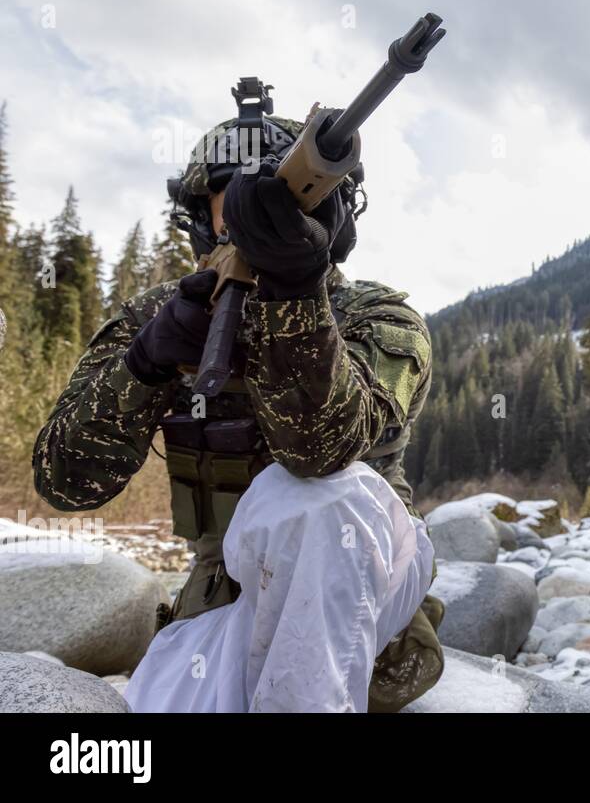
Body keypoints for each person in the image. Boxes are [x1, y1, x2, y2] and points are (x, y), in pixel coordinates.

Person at [32, 101, 444, 712]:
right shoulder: (157, 316)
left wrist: (295, 294)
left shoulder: (378, 318)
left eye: (285, 202)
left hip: (363, 585)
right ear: (203, 223)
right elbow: (64, 483)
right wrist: (144, 366)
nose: (259, 221)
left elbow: (319, 455)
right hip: (222, 588)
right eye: (239, 205)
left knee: (317, 499)